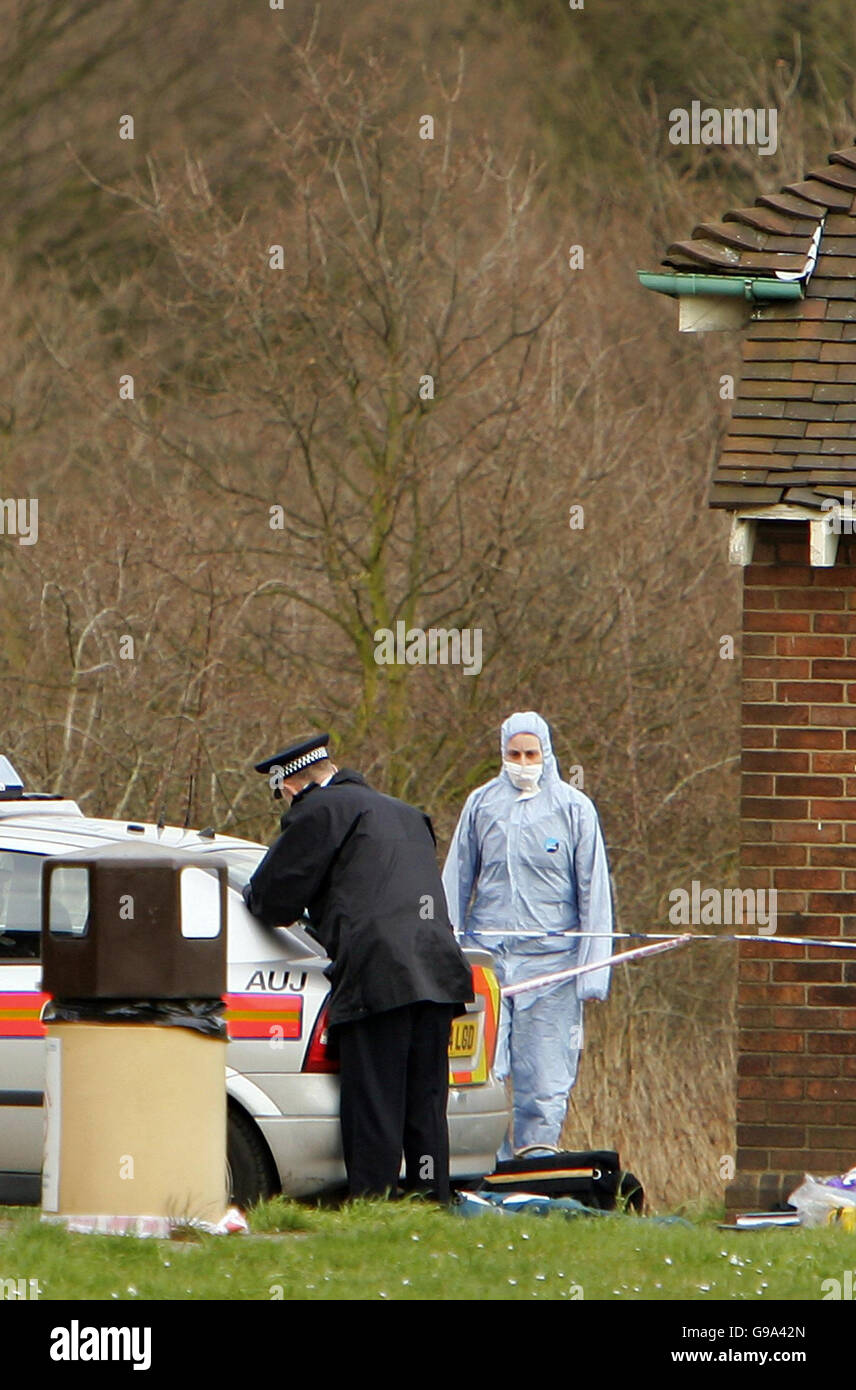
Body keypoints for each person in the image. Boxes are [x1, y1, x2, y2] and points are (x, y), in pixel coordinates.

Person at [243, 733, 473, 1200]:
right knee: (424, 1102)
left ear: (290, 787)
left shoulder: (318, 812)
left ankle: (374, 1206)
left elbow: (271, 899)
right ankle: (433, 1202)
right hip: (440, 971)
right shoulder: (408, 814)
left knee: (375, 1101)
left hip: (380, 973)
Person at [442, 711, 613, 1159]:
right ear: (503, 754)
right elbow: (456, 879)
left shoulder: (574, 809)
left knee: (545, 1071)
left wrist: (592, 972)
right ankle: (487, 1162)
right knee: (485, 1069)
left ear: (547, 754)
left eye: (531, 753)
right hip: (490, 962)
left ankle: (537, 1159)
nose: (523, 762)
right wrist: (445, 953)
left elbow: (594, 891)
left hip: (552, 966)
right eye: (514, 754)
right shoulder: (481, 805)